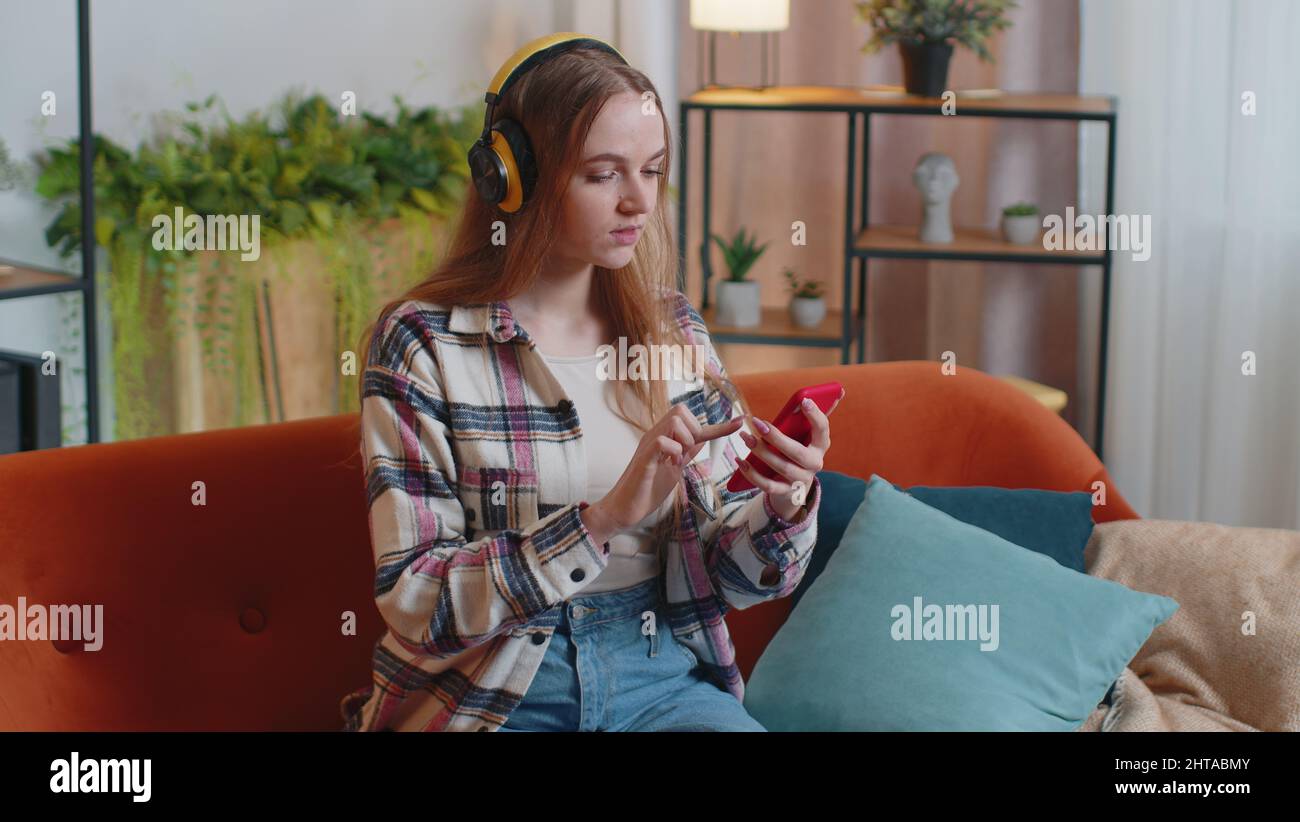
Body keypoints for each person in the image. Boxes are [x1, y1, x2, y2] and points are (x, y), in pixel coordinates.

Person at [338, 33, 841, 732]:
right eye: (604, 174)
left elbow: (728, 579)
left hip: (660, 673)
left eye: (653, 170)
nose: (639, 201)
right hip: (495, 687)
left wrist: (782, 505)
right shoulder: (424, 342)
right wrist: (600, 522)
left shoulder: (673, 330)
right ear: (512, 179)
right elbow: (416, 600)